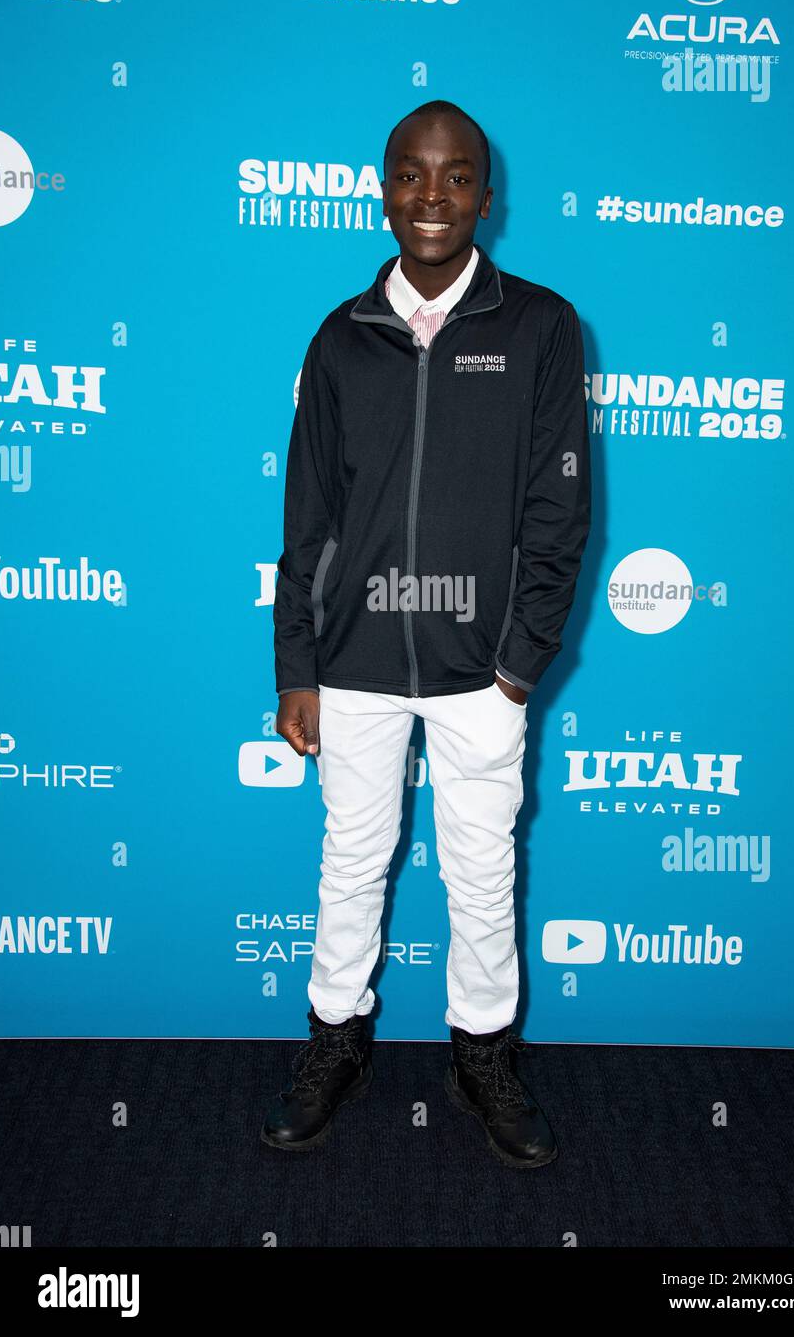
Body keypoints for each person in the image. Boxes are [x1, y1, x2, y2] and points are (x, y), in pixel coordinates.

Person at [261, 100, 591, 1169]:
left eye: (456, 178)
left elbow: (558, 511)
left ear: (486, 198)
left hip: (476, 672)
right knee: (350, 862)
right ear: (383, 187)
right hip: (353, 665)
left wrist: (516, 666)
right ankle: (334, 1042)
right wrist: (297, 664)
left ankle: (480, 1056)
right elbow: (305, 516)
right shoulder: (338, 335)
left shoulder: (540, 327)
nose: (433, 197)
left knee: (480, 869)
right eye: (412, 174)